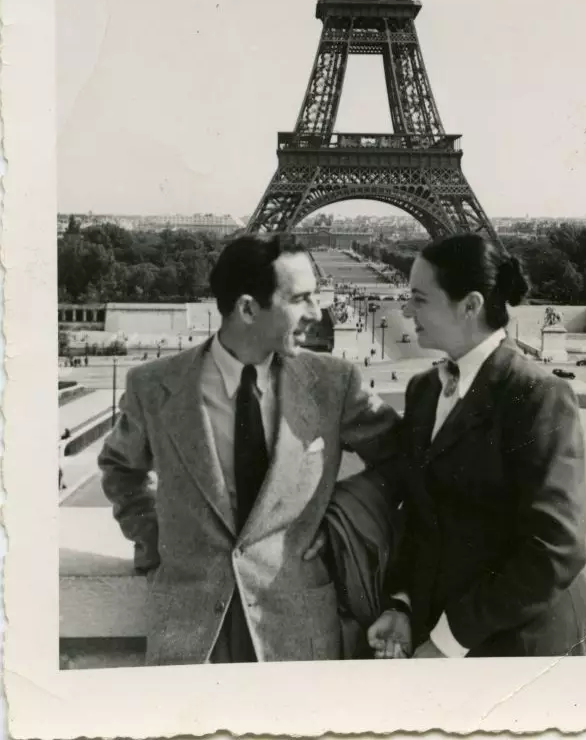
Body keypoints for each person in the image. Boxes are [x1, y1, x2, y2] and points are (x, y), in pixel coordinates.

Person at [99, 234, 402, 666]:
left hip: (296, 623)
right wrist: (155, 544)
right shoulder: (152, 385)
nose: (317, 312)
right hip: (191, 629)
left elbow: (403, 459)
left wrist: (338, 522)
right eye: (301, 299)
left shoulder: (336, 384)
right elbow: (120, 470)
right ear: (246, 308)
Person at [368, 233, 586, 659]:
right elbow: (419, 517)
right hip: (448, 638)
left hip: (523, 652)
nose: (407, 310)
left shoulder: (538, 395)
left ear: (470, 306)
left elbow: (556, 548)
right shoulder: (423, 391)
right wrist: (401, 604)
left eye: (420, 299)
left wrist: (449, 641)